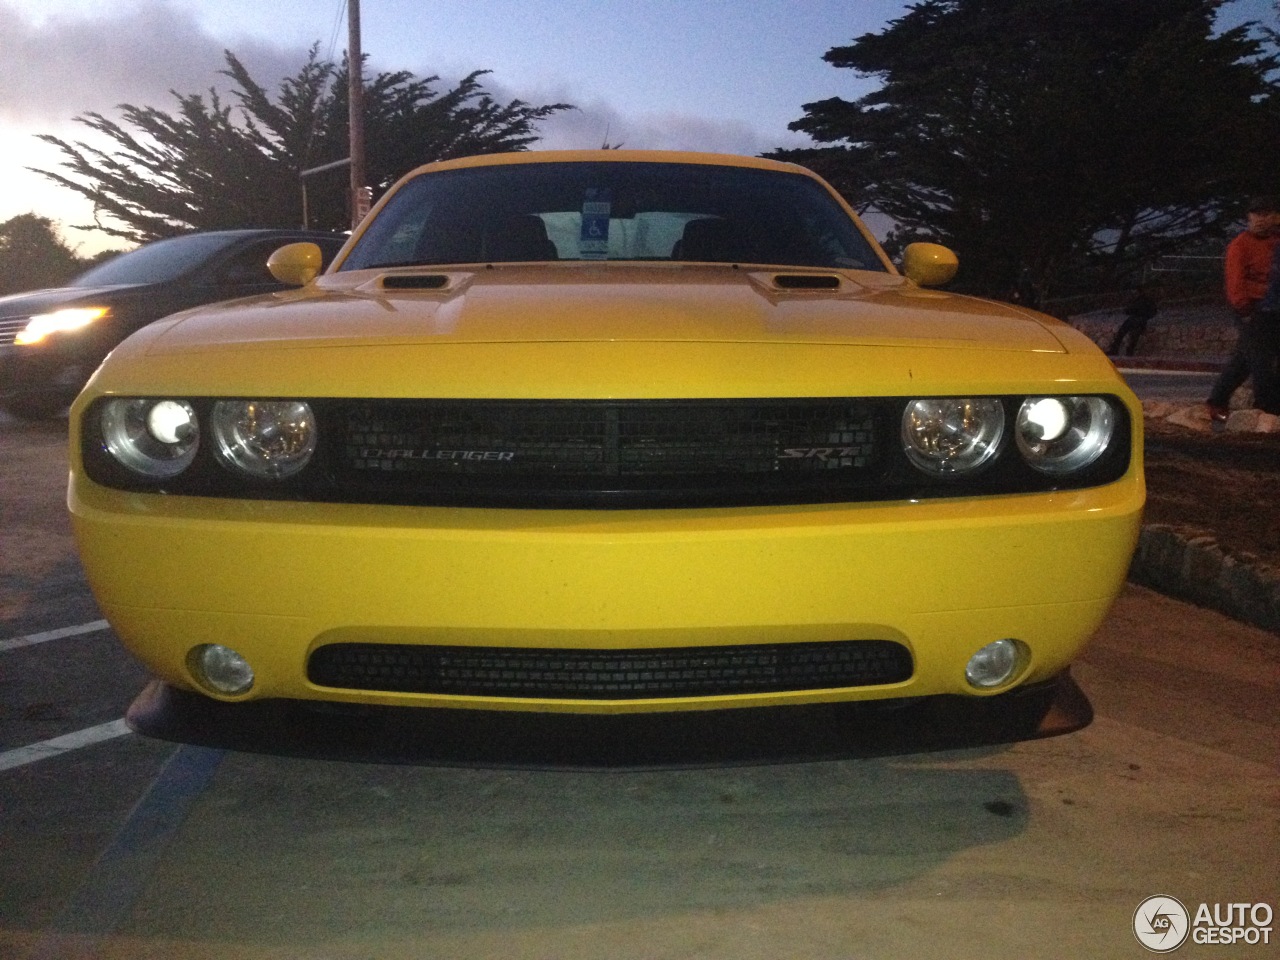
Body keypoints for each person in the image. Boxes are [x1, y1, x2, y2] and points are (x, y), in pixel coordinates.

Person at [1206, 197, 1280, 421]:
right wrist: (1244, 309)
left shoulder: (1275, 242)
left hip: (1273, 307)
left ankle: (1216, 401)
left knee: (1244, 360)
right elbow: (1235, 281)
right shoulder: (1240, 245)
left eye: (1266, 214)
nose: (1260, 220)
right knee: (1262, 361)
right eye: (1256, 215)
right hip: (1252, 308)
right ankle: (1269, 409)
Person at [1107, 286, 1159, 356]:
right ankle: (1120, 350)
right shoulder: (1142, 300)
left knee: (1130, 334)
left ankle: (1120, 350)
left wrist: (1144, 315)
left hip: (1138, 319)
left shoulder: (1143, 301)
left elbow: (1129, 310)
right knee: (1124, 333)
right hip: (1137, 319)